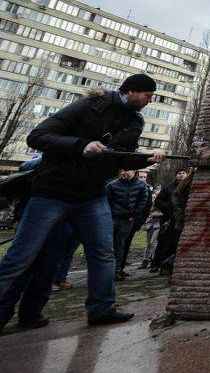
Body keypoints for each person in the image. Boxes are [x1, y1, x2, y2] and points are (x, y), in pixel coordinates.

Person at [0, 74, 166, 326]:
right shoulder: (89, 106)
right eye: (148, 96)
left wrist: (147, 159)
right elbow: (37, 136)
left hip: (92, 195)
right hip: (53, 192)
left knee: (103, 253)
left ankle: (101, 308)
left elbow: (119, 157)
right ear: (131, 92)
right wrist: (81, 145)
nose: (149, 101)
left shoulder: (135, 122)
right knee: (21, 256)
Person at [0, 156, 62, 335]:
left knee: (48, 269)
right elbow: (26, 166)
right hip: (34, 216)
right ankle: (3, 313)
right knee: (20, 265)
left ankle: (31, 313)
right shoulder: (46, 155)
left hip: (60, 220)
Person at [105, 168, 150, 280]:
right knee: (107, 245)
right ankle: (105, 271)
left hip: (127, 220)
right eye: (122, 170)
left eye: (127, 170)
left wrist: (134, 215)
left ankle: (116, 272)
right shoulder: (112, 185)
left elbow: (143, 201)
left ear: (134, 171)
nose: (124, 172)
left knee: (120, 246)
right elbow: (105, 201)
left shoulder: (141, 185)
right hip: (112, 218)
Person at [149, 168, 187, 273]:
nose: (181, 175)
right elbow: (158, 201)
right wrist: (169, 208)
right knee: (165, 242)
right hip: (169, 219)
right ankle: (160, 265)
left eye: (183, 173)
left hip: (183, 218)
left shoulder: (189, 186)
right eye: (179, 173)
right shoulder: (168, 188)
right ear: (176, 175)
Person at [139, 189, 162, 269]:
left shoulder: (161, 203)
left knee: (153, 243)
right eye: (155, 194)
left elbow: (165, 212)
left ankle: (153, 260)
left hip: (158, 225)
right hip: (149, 225)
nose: (156, 196)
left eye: (158, 194)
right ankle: (145, 261)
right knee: (149, 243)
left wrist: (156, 214)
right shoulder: (150, 203)